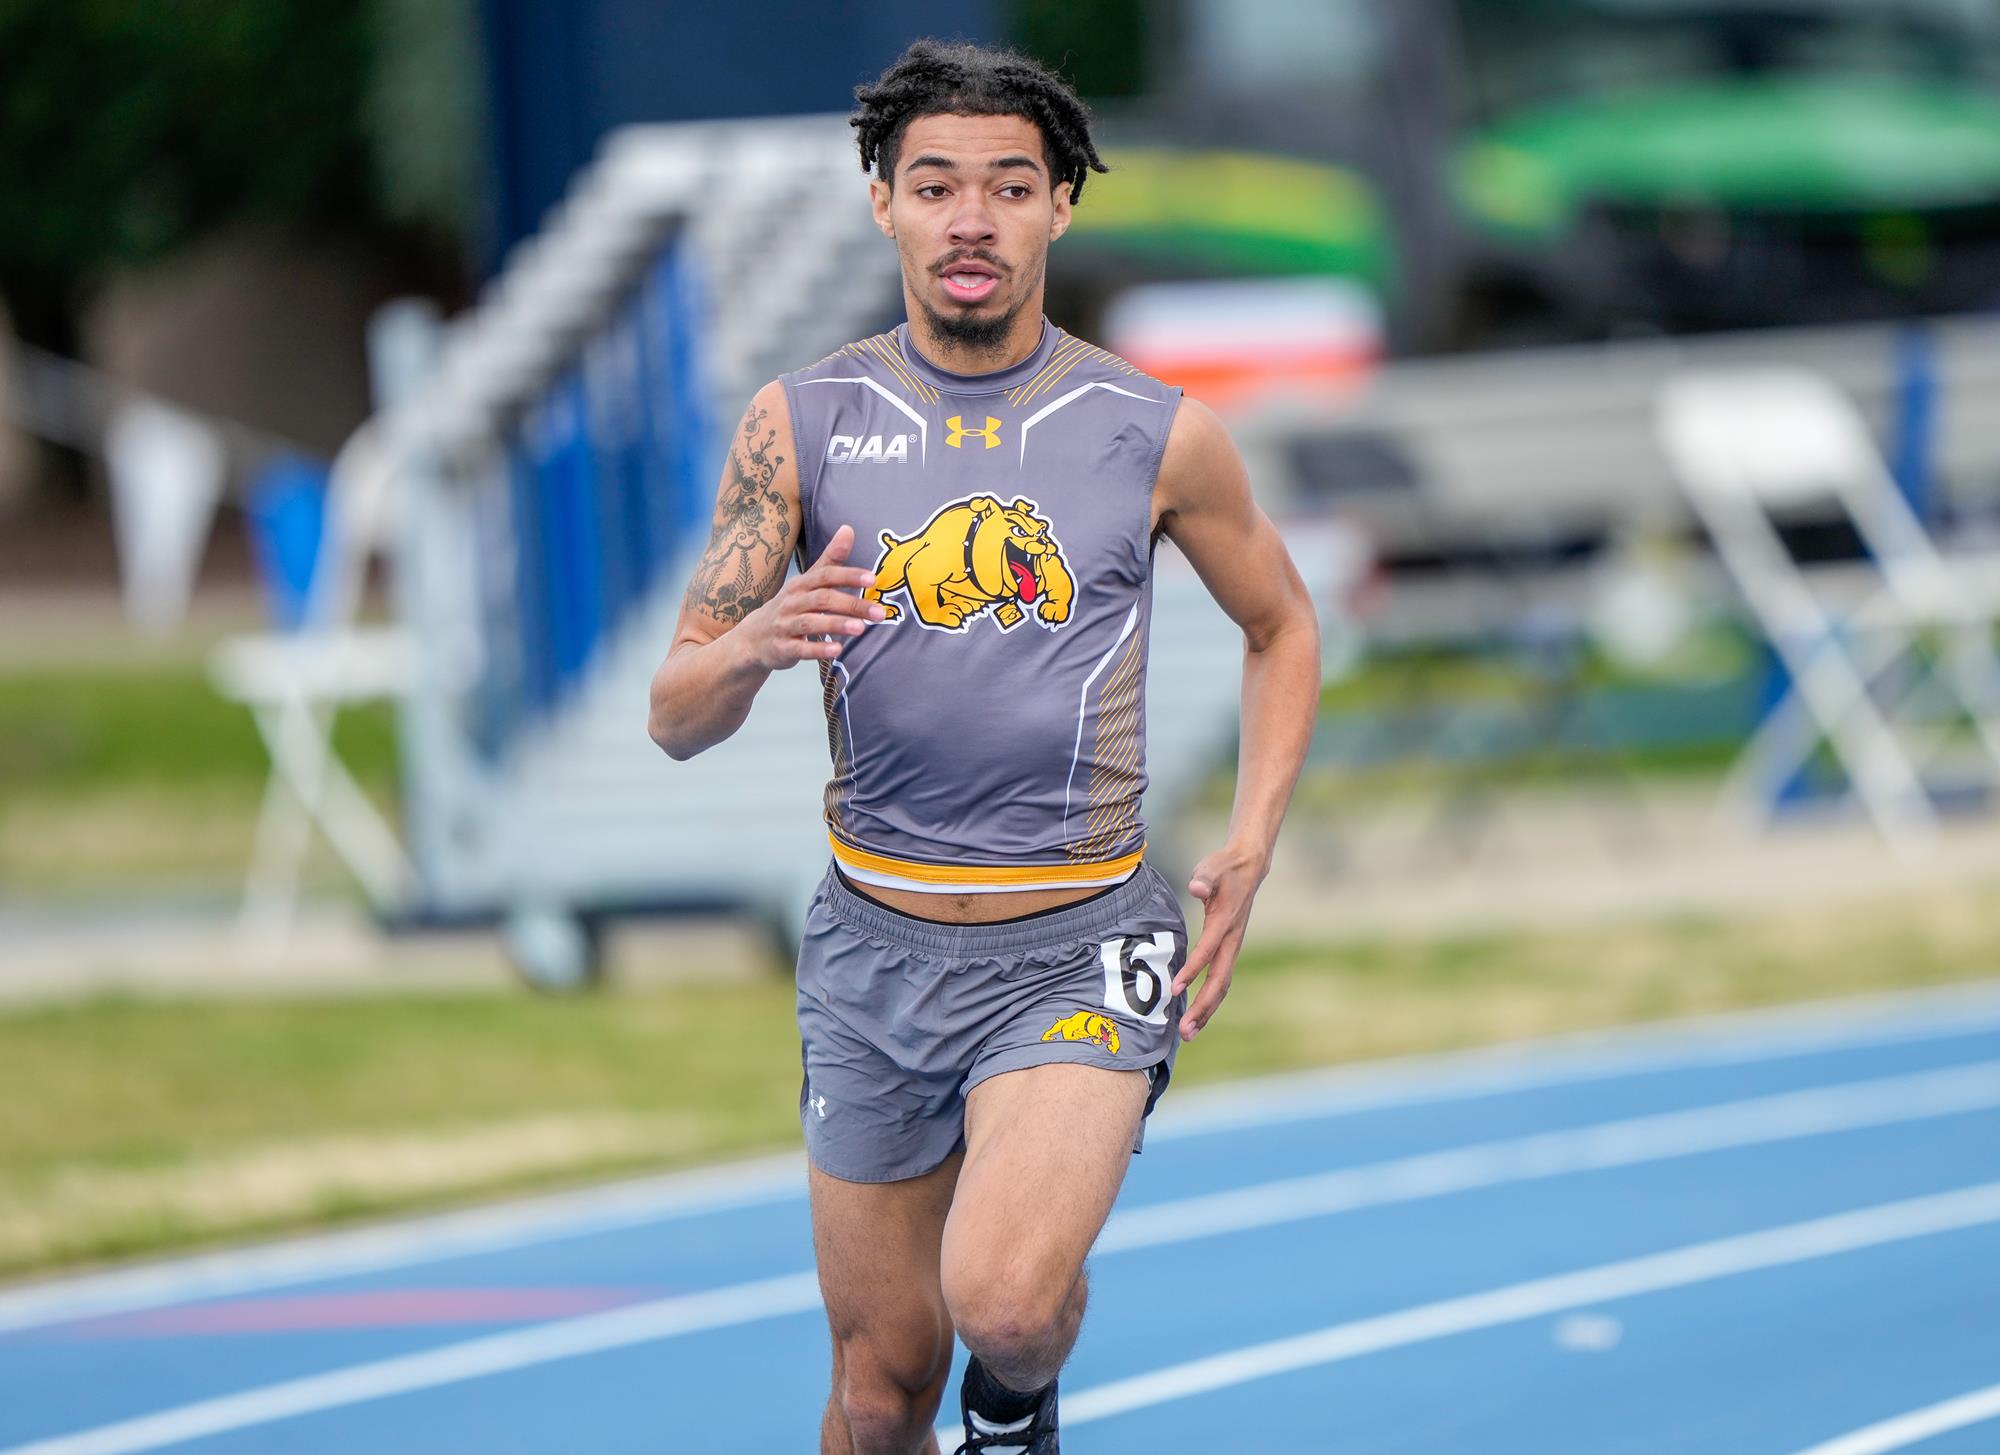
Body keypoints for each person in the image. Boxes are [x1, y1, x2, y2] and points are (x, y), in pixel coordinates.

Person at [648, 38, 1320, 1455]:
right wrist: (755, 645)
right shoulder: (801, 423)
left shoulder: (1155, 433)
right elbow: (674, 716)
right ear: (880, 200)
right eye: (936, 184)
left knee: (1004, 1305)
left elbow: (1283, 626)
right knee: (880, 1389)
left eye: (1009, 187)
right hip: (870, 953)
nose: (972, 219)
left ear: (1061, 206)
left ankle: (1017, 1413)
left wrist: (1254, 837)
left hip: (1078, 940)